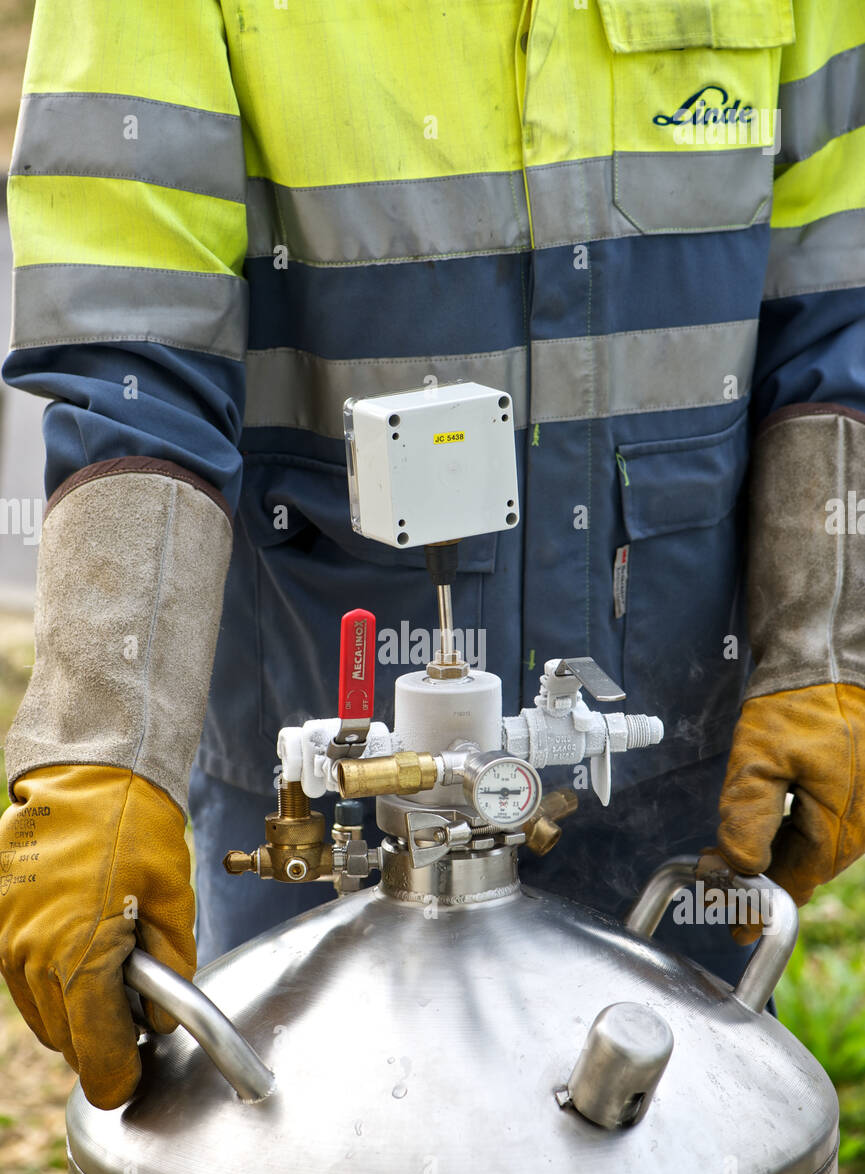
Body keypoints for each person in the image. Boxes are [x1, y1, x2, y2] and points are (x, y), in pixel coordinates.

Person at [1, 0, 864, 1109]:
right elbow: (131, 358)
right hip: (319, 788)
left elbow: (836, 299)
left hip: (673, 791)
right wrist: (103, 748)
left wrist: (825, 641)